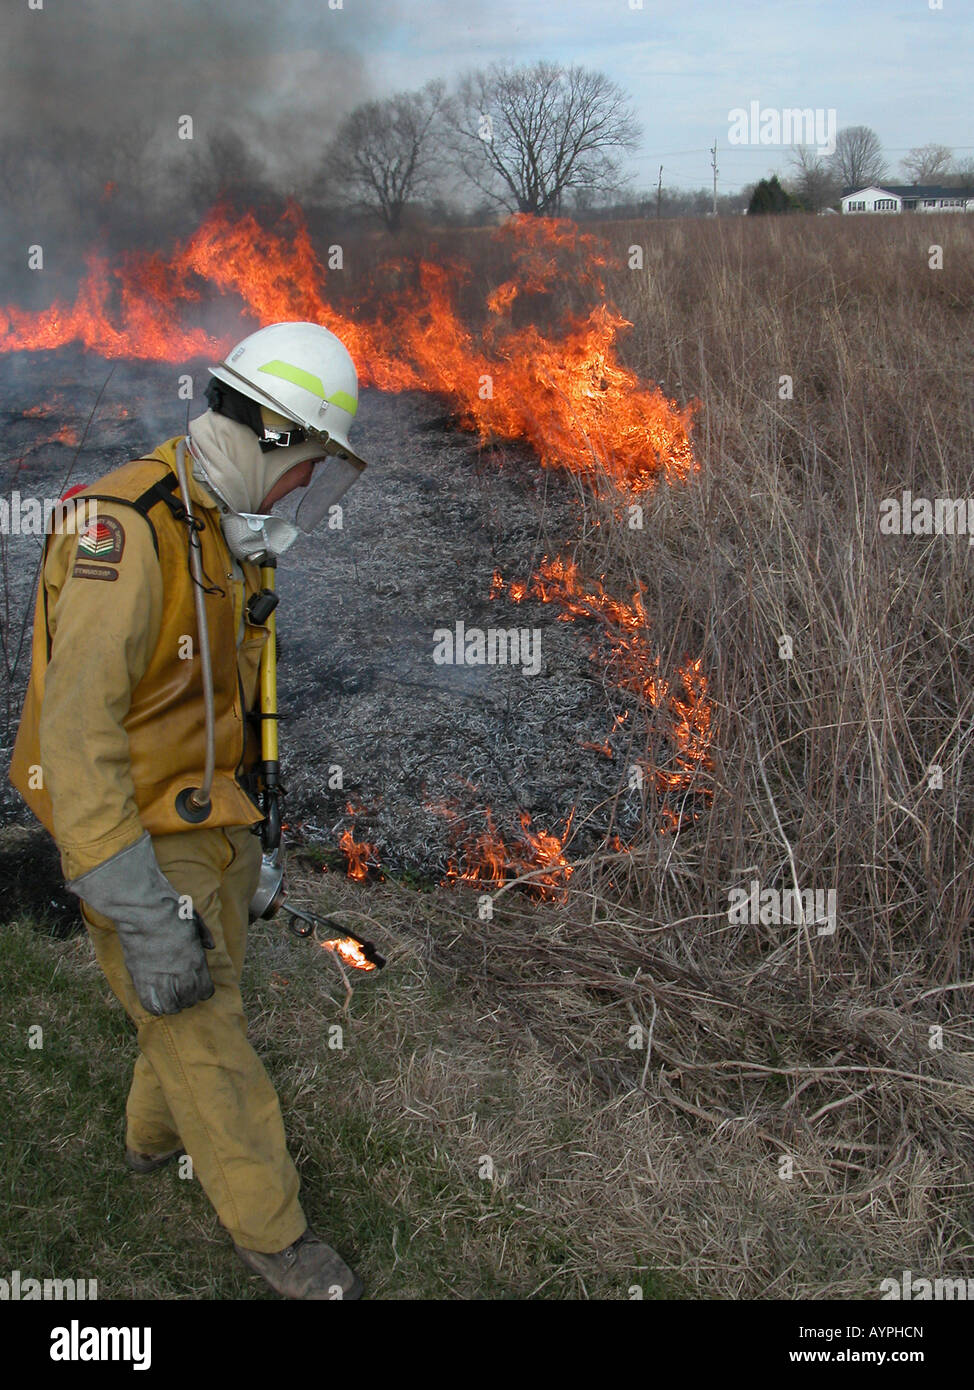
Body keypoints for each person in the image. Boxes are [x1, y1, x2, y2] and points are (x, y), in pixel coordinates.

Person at [9, 321, 369, 1300]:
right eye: (308, 464)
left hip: (213, 827)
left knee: (187, 1012)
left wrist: (255, 848)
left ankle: (144, 1141)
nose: (305, 488)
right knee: (208, 1035)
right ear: (274, 435)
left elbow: (239, 708)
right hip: (131, 836)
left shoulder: (228, 528)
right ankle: (275, 1234)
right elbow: (73, 749)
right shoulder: (120, 528)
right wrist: (135, 907)